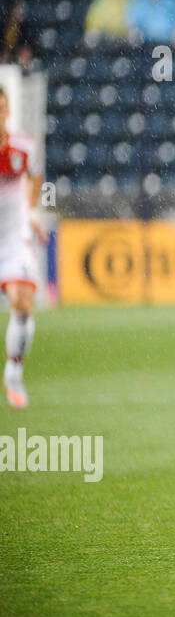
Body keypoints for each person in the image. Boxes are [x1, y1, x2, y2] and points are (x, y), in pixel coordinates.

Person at [0, 89, 46, 410]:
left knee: (22, 300)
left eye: (3, 108)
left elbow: (36, 175)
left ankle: (14, 369)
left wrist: (32, 215)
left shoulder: (23, 146)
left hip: (14, 238)